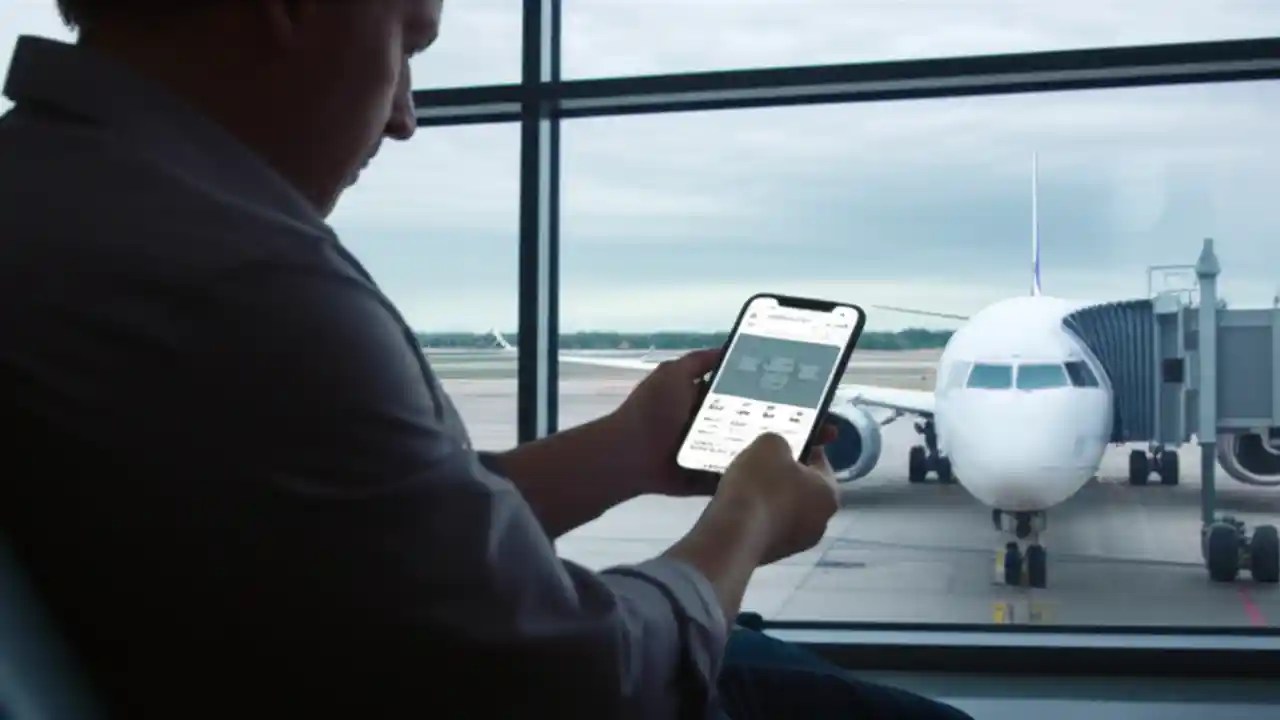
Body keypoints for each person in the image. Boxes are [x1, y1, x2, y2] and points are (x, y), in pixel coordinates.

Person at [0, 2, 971, 719]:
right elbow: (583, 686)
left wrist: (628, 449)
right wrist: (747, 520)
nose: (404, 117)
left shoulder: (54, 197)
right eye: (407, 46)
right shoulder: (236, 275)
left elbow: (365, 536)